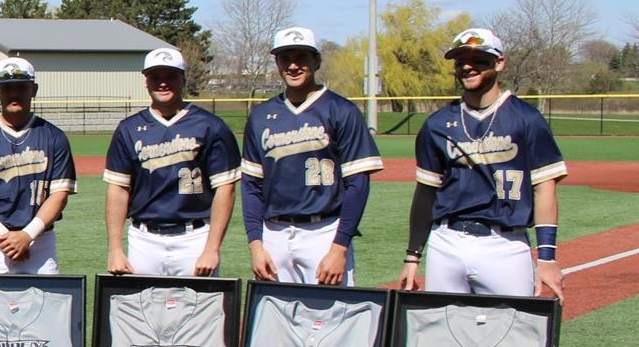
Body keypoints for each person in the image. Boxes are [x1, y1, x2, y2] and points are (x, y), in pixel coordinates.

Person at [397, 27, 568, 298]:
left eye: (478, 59)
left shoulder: (526, 119)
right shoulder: (437, 125)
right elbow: (426, 193)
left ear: (499, 62)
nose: (467, 66)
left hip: (505, 243)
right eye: (460, 61)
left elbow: (545, 188)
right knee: (442, 332)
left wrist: (547, 258)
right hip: (447, 242)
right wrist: (412, 256)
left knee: (512, 331)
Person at [240, 26, 383, 285]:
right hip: (274, 233)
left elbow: (358, 184)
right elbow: (251, 186)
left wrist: (340, 246)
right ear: (276, 62)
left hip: (324, 231)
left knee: (332, 317)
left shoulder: (341, 110)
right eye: (285, 58)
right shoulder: (261, 116)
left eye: (301, 57)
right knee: (275, 317)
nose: (293, 66)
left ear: (316, 60)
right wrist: (255, 244)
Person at [103, 47, 242, 277]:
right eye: (155, 76)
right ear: (145, 81)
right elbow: (118, 189)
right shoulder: (128, 129)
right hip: (143, 238)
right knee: (143, 310)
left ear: (183, 79)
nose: (162, 83)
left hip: (195, 237)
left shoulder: (210, 126)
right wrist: (115, 249)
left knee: (201, 310)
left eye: (170, 76)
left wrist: (212, 248)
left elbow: (225, 189)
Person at [0, 56, 75, 274]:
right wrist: (4, 236)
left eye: (21, 86)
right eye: (7, 87)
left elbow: (59, 195)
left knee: (48, 304)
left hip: (40, 239)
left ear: (34, 89)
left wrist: (27, 235)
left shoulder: (54, 137)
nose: (14, 93)